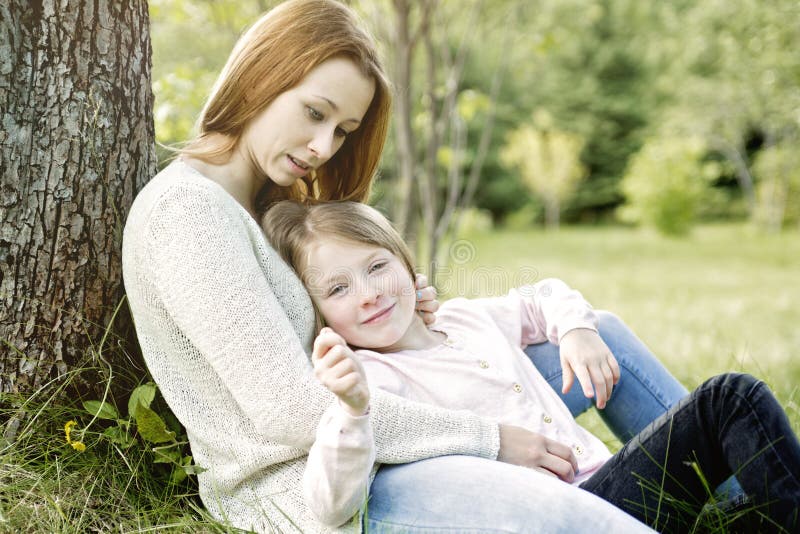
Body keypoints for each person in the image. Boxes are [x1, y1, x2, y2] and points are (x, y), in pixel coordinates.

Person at [123, 0, 694, 532]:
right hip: (320, 487)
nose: (323, 147)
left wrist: (399, 313)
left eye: (341, 131)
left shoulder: (264, 203)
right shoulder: (188, 213)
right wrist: (491, 439)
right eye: (315, 113)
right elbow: (289, 410)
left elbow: (306, 336)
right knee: (560, 512)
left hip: (388, 423)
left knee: (598, 336)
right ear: (260, 77)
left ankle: (736, 496)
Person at [262, 200, 800, 533]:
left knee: (734, 402)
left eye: (377, 266)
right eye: (338, 289)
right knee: (731, 397)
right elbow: (331, 503)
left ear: (407, 264)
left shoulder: (465, 317)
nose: (368, 293)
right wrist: (352, 409)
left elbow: (542, 295)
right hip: (573, 512)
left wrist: (578, 330)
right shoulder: (371, 379)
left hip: (611, 480)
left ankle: (748, 512)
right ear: (320, 315)